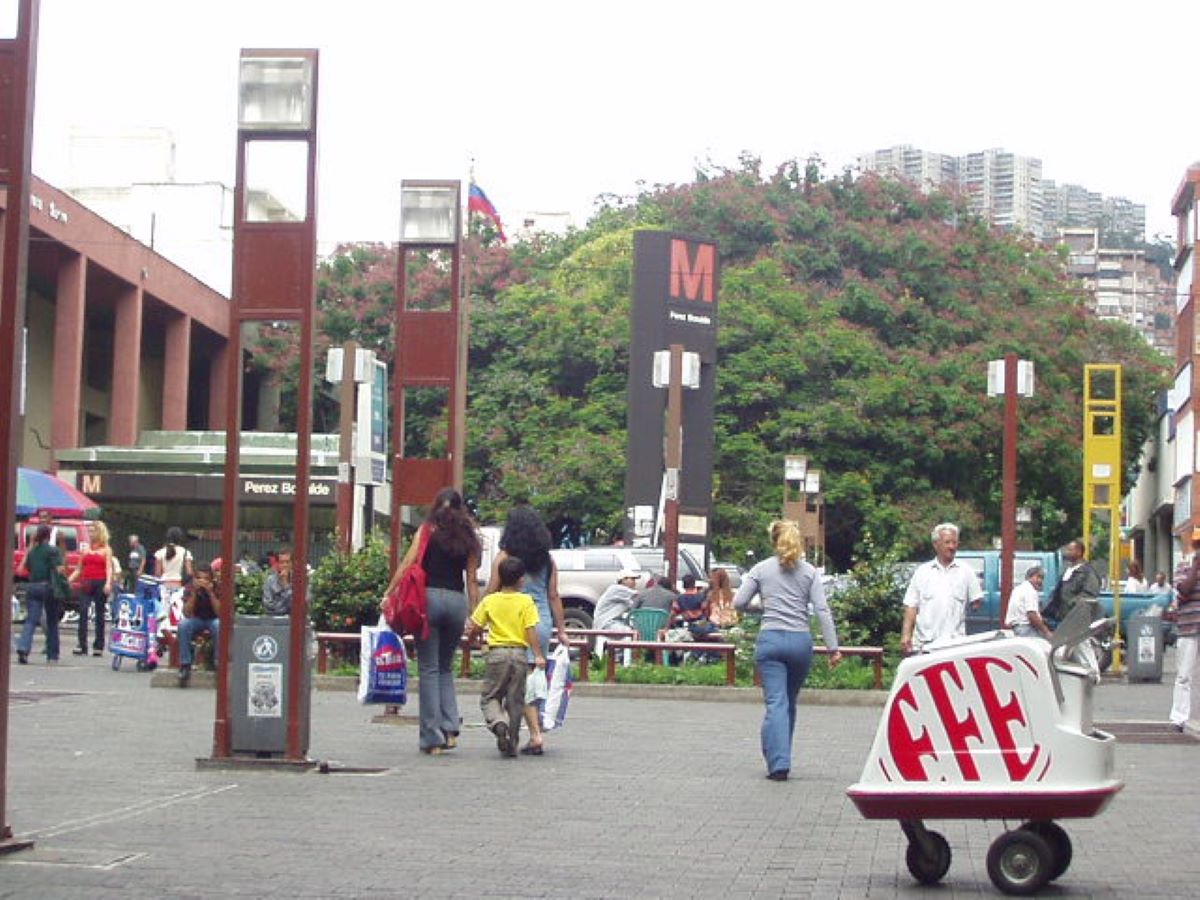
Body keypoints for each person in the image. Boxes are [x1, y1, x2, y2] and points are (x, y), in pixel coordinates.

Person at [734, 520, 842, 781]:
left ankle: (777, 761)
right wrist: (833, 648)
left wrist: (764, 607)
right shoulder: (809, 572)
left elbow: (739, 602)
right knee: (788, 702)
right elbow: (822, 610)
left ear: (773, 541)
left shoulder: (760, 569)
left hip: (770, 640)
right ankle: (780, 756)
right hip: (800, 642)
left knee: (776, 703)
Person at [385, 487, 481, 754]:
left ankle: (432, 737)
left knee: (428, 668)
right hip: (456, 602)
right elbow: (471, 579)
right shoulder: (470, 536)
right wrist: (474, 614)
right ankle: (450, 728)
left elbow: (408, 563)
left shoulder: (427, 529)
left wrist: (389, 592)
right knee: (445, 667)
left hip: (427, 600)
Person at [484, 505, 569, 756]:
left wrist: (480, 616)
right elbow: (553, 595)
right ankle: (529, 730)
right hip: (541, 622)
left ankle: (534, 735)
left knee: (519, 685)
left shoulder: (504, 557)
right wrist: (562, 629)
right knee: (532, 679)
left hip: (513, 623)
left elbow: (491, 590)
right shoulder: (547, 560)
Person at [465, 556, 545, 757]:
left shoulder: (490, 600)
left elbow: (475, 626)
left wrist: (472, 639)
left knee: (490, 696)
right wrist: (537, 655)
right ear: (521, 579)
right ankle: (512, 741)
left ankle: (498, 722)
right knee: (515, 700)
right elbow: (530, 629)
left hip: (497, 654)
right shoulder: (526, 601)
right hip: (519, 654)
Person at [900, 522, 983, 654]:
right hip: (925, 645)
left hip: (955, 645)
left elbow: (977, 603)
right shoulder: (922, 572)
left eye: (954, 543)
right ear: (936, 544)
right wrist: (906, 635)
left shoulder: (966, 571)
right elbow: (911, 606)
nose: (951, 546)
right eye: (947, 542)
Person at [16, 524, 65, 664]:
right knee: (51, 621)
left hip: (32, 586)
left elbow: (27, 567)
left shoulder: (32, 552)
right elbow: (59, 569)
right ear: (49, 536)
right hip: (48, 586)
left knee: (31, 620)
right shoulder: (53, 551)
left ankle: (23, 647)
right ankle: (52, 654)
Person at [1168, 528, 1200, 732]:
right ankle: (1179, 717)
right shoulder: (1183, 566)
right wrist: (1196, 566)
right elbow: (1185, 590)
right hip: (1188, 627)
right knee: (1184, 675)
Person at [69, 520, 115, 656]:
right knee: (82, 611)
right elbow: (79, 568)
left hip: (100, 581)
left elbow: (109, 568)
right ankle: (81, 643)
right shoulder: (85, 549)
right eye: (89, 531)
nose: (90, 534)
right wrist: (69, 580)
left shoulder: (106, 550)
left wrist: (108, 583)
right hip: (86, 582)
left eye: (93, 531)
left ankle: (98, 645)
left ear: (100, 532)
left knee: (99, 614)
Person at [177, 563, 220, 688]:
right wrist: (194, 593)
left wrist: (211, 593)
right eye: (200, 579)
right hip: (196, 618)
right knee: (184, 625)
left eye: (206, 579)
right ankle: (185, 664)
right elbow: (187, 613)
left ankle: (218, 663)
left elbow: (220, 612)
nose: (203, 582)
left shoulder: (217, 587)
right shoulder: (190, 588)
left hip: (213, 618)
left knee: (219, 625)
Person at [1047, 538, 1101, 624]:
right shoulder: (1067, 570)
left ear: (1079, 552)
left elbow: (1090, 594)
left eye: (1070, 550)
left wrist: (1072, 603)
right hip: (1063, 618)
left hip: (1077, 619)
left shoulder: (1087, 572)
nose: (1067, 552)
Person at [154, 526, 194, 634]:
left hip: (163, 587)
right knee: (178, 614)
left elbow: (157, 574)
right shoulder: (185, 552)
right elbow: (190, 573)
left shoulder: (160, 552)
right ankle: (177, 639)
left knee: (163, 615)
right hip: (178, 587)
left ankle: (161, 639)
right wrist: (183, 583)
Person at [1004, 564, 1052, 639]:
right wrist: (1046, 632)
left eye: (1042, 578)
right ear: (1029, 577)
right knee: (1043, 647)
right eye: (1038, 577)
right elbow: (1032, 615)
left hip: (1016, 628)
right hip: (1026, 629)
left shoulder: (1018, 589)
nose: (1040, 581)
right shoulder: (1030, 591)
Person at [262, 548, 294, 615]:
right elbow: (268, 606)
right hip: (275, 621)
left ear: (292, 563)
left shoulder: (299, 581)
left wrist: (285, 585)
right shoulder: (270, 581)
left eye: (287, 562)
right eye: (282, 562)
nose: (285, 565)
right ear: (277, 564)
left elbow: (299, 605)